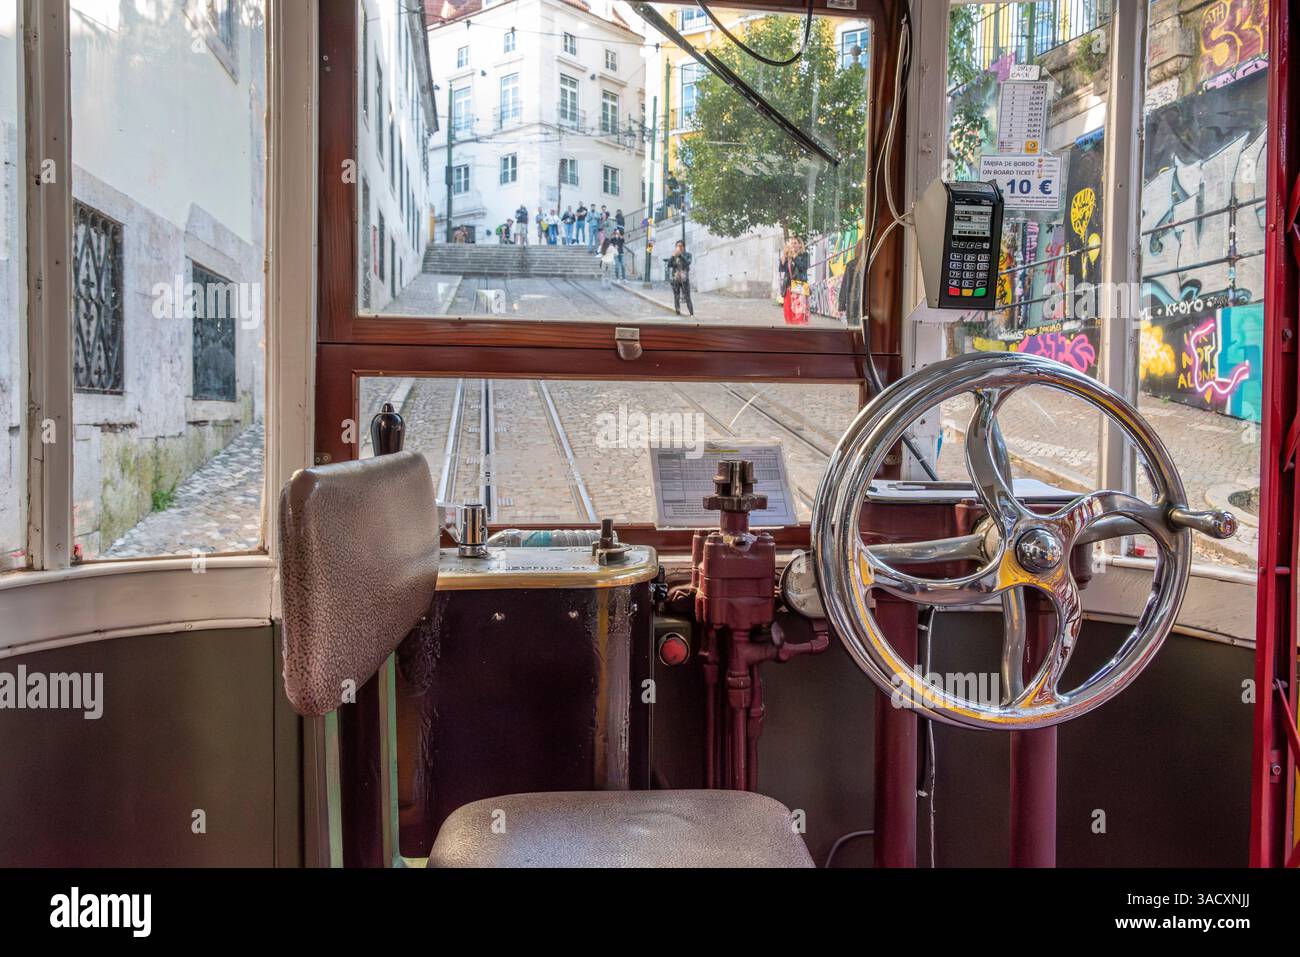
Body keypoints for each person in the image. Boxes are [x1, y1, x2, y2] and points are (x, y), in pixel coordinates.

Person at [780, 237, 811, 325]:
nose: (793, 245)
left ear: (800, 245)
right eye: (792, 243)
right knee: (789, 313)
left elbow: (803, 267)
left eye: (795, 243)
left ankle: (800, 331)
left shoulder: (804, 255)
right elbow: (782, 268)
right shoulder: (789, 256)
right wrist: (784, 255)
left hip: (800, 285)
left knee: (800, 313)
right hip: (788, 287)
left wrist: (795, 256)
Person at [667, 240, 694, 317]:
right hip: (675, 279)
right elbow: (669, 265)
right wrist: (673, 256)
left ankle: (692, 314)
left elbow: (687, 263)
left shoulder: (688, 255)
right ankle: (678, 314)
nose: (679, 247)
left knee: (687, 297)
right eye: (677, 246)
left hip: (684, 279)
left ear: (684, 247)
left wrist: (680, 255)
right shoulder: (674, 256)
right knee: (677, 297)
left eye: (680, 246)